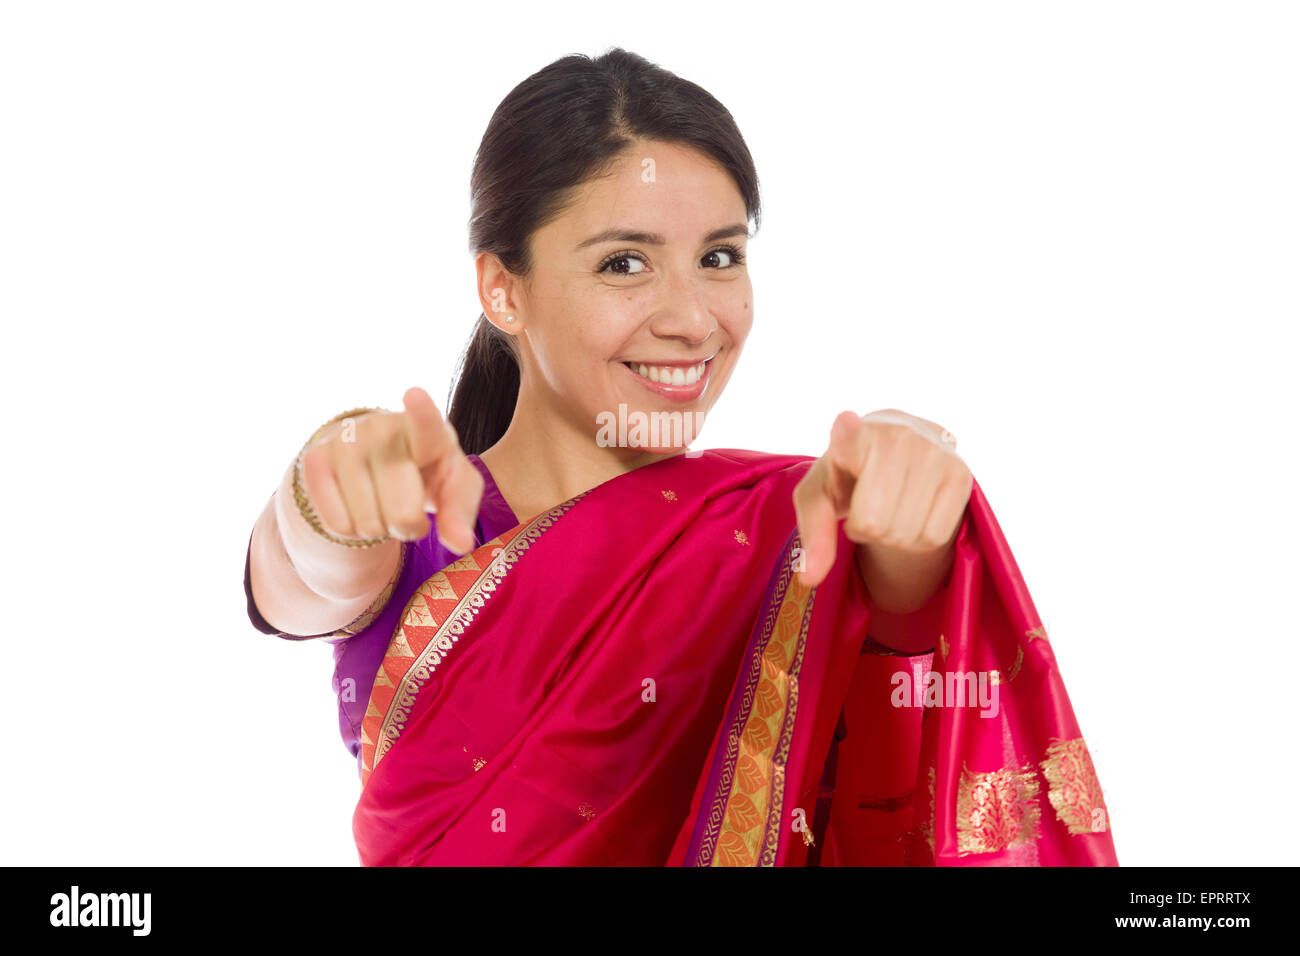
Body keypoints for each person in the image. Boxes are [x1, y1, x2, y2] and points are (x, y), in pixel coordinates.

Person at [244, 47, 1118, 866]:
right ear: (502, 290)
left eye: (720, 257)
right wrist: (327, 487)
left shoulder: (788, 525)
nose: (694, 319)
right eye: (625, 263)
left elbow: (908, 649)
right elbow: (305, 569)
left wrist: (915, 521)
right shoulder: (418, 527)